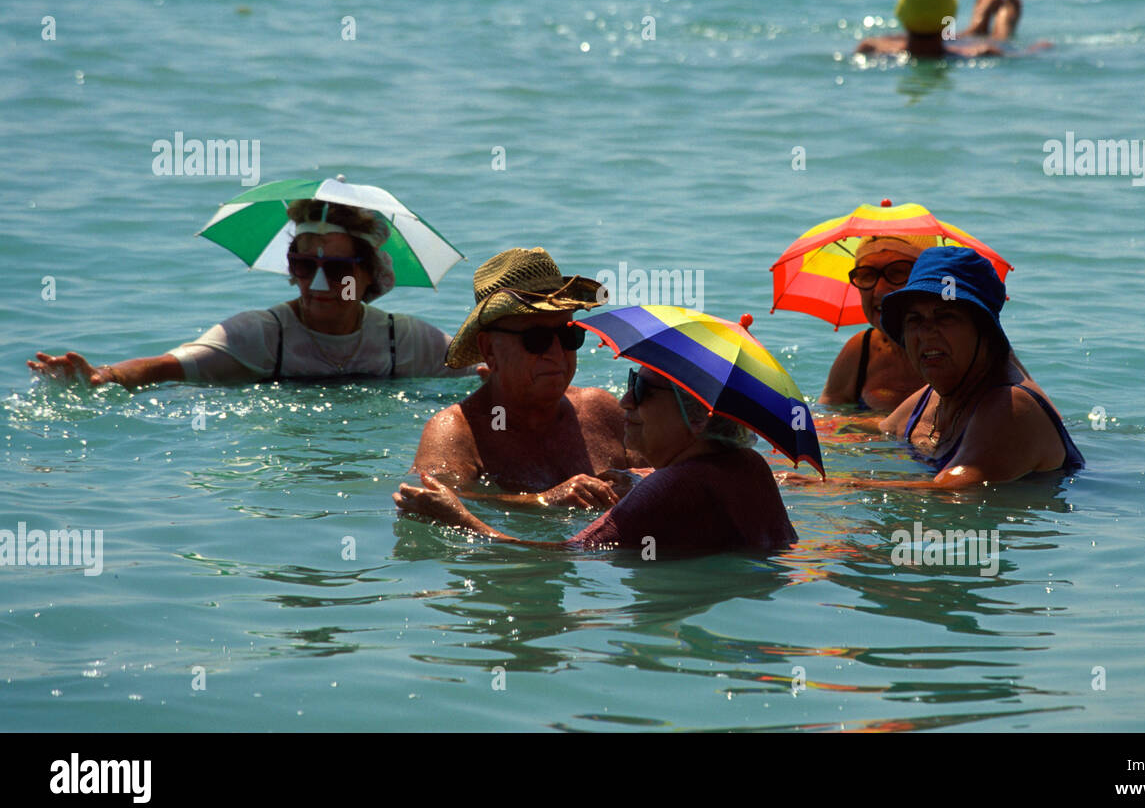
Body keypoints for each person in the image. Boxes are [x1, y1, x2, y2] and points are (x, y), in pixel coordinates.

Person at [27, 200, 472, 386]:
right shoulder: (260, 335)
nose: (316, 284)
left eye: (336, 270)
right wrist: (103, 378)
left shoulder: (409, 341)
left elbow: (483, 374)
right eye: (302, 266)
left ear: (370, 275)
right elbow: (166, 367)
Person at [396, 366, 798, 553]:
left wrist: (459, 520)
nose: (625, 400)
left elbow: (548, 555)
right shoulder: (749, 464)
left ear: (696, 416)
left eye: (641, 388)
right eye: (629, 381)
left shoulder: (670, 488)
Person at [410, 247, 645, 511]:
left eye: (570, 336)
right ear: (489, 350)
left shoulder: (602, 411)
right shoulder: (455, 432)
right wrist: (541, 501)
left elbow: (669, 473)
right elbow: (429, 501)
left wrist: (638, 482)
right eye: (537, 340)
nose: (557, 353)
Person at [854, 247, 1084, 488]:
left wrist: (824, 489)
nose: (925, 332)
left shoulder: (1013, 407)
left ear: (984, 330)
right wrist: (816, 426)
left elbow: (949, 491)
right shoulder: (932, 397)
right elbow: (883, 431)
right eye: (914, 319)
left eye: (945, 317)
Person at [820, 235, 930, 412]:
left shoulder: (949, 351)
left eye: (897, 272)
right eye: (867, 275)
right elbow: (826, 418)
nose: (879, 290)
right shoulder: (860, 350)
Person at [854, 0, 1028, 59]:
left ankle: (977, 27)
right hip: (950, 50)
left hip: (913, 46)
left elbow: (918, 39)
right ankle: (1000, 27)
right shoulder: (985, 52)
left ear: (901, 10)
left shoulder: (870, 48)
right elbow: (1028, 54)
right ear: (951, 12)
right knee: (998, 41)